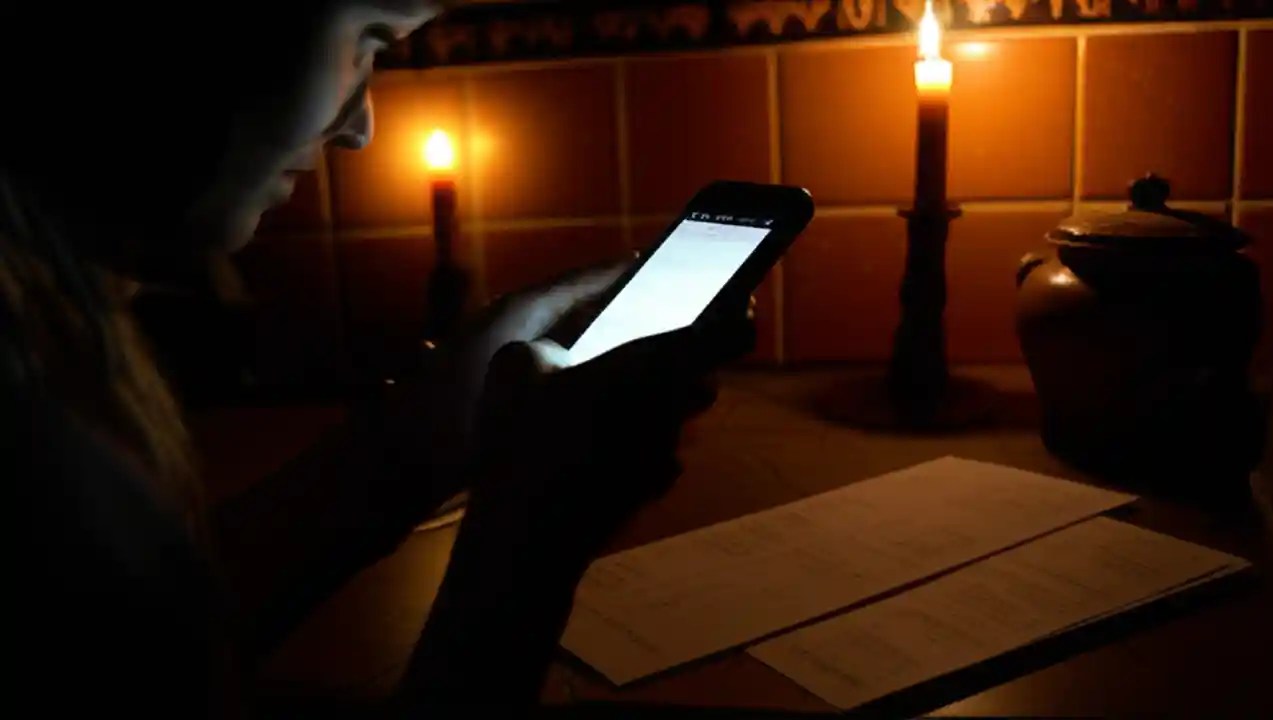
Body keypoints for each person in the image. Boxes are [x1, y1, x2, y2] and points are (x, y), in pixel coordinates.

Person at [0, 2, 751, 716]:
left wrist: (427, 430)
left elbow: (154, 631)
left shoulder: (54, 332)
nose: (358, 127)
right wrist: (526, 547)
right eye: (368, 34)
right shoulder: (38, 447)